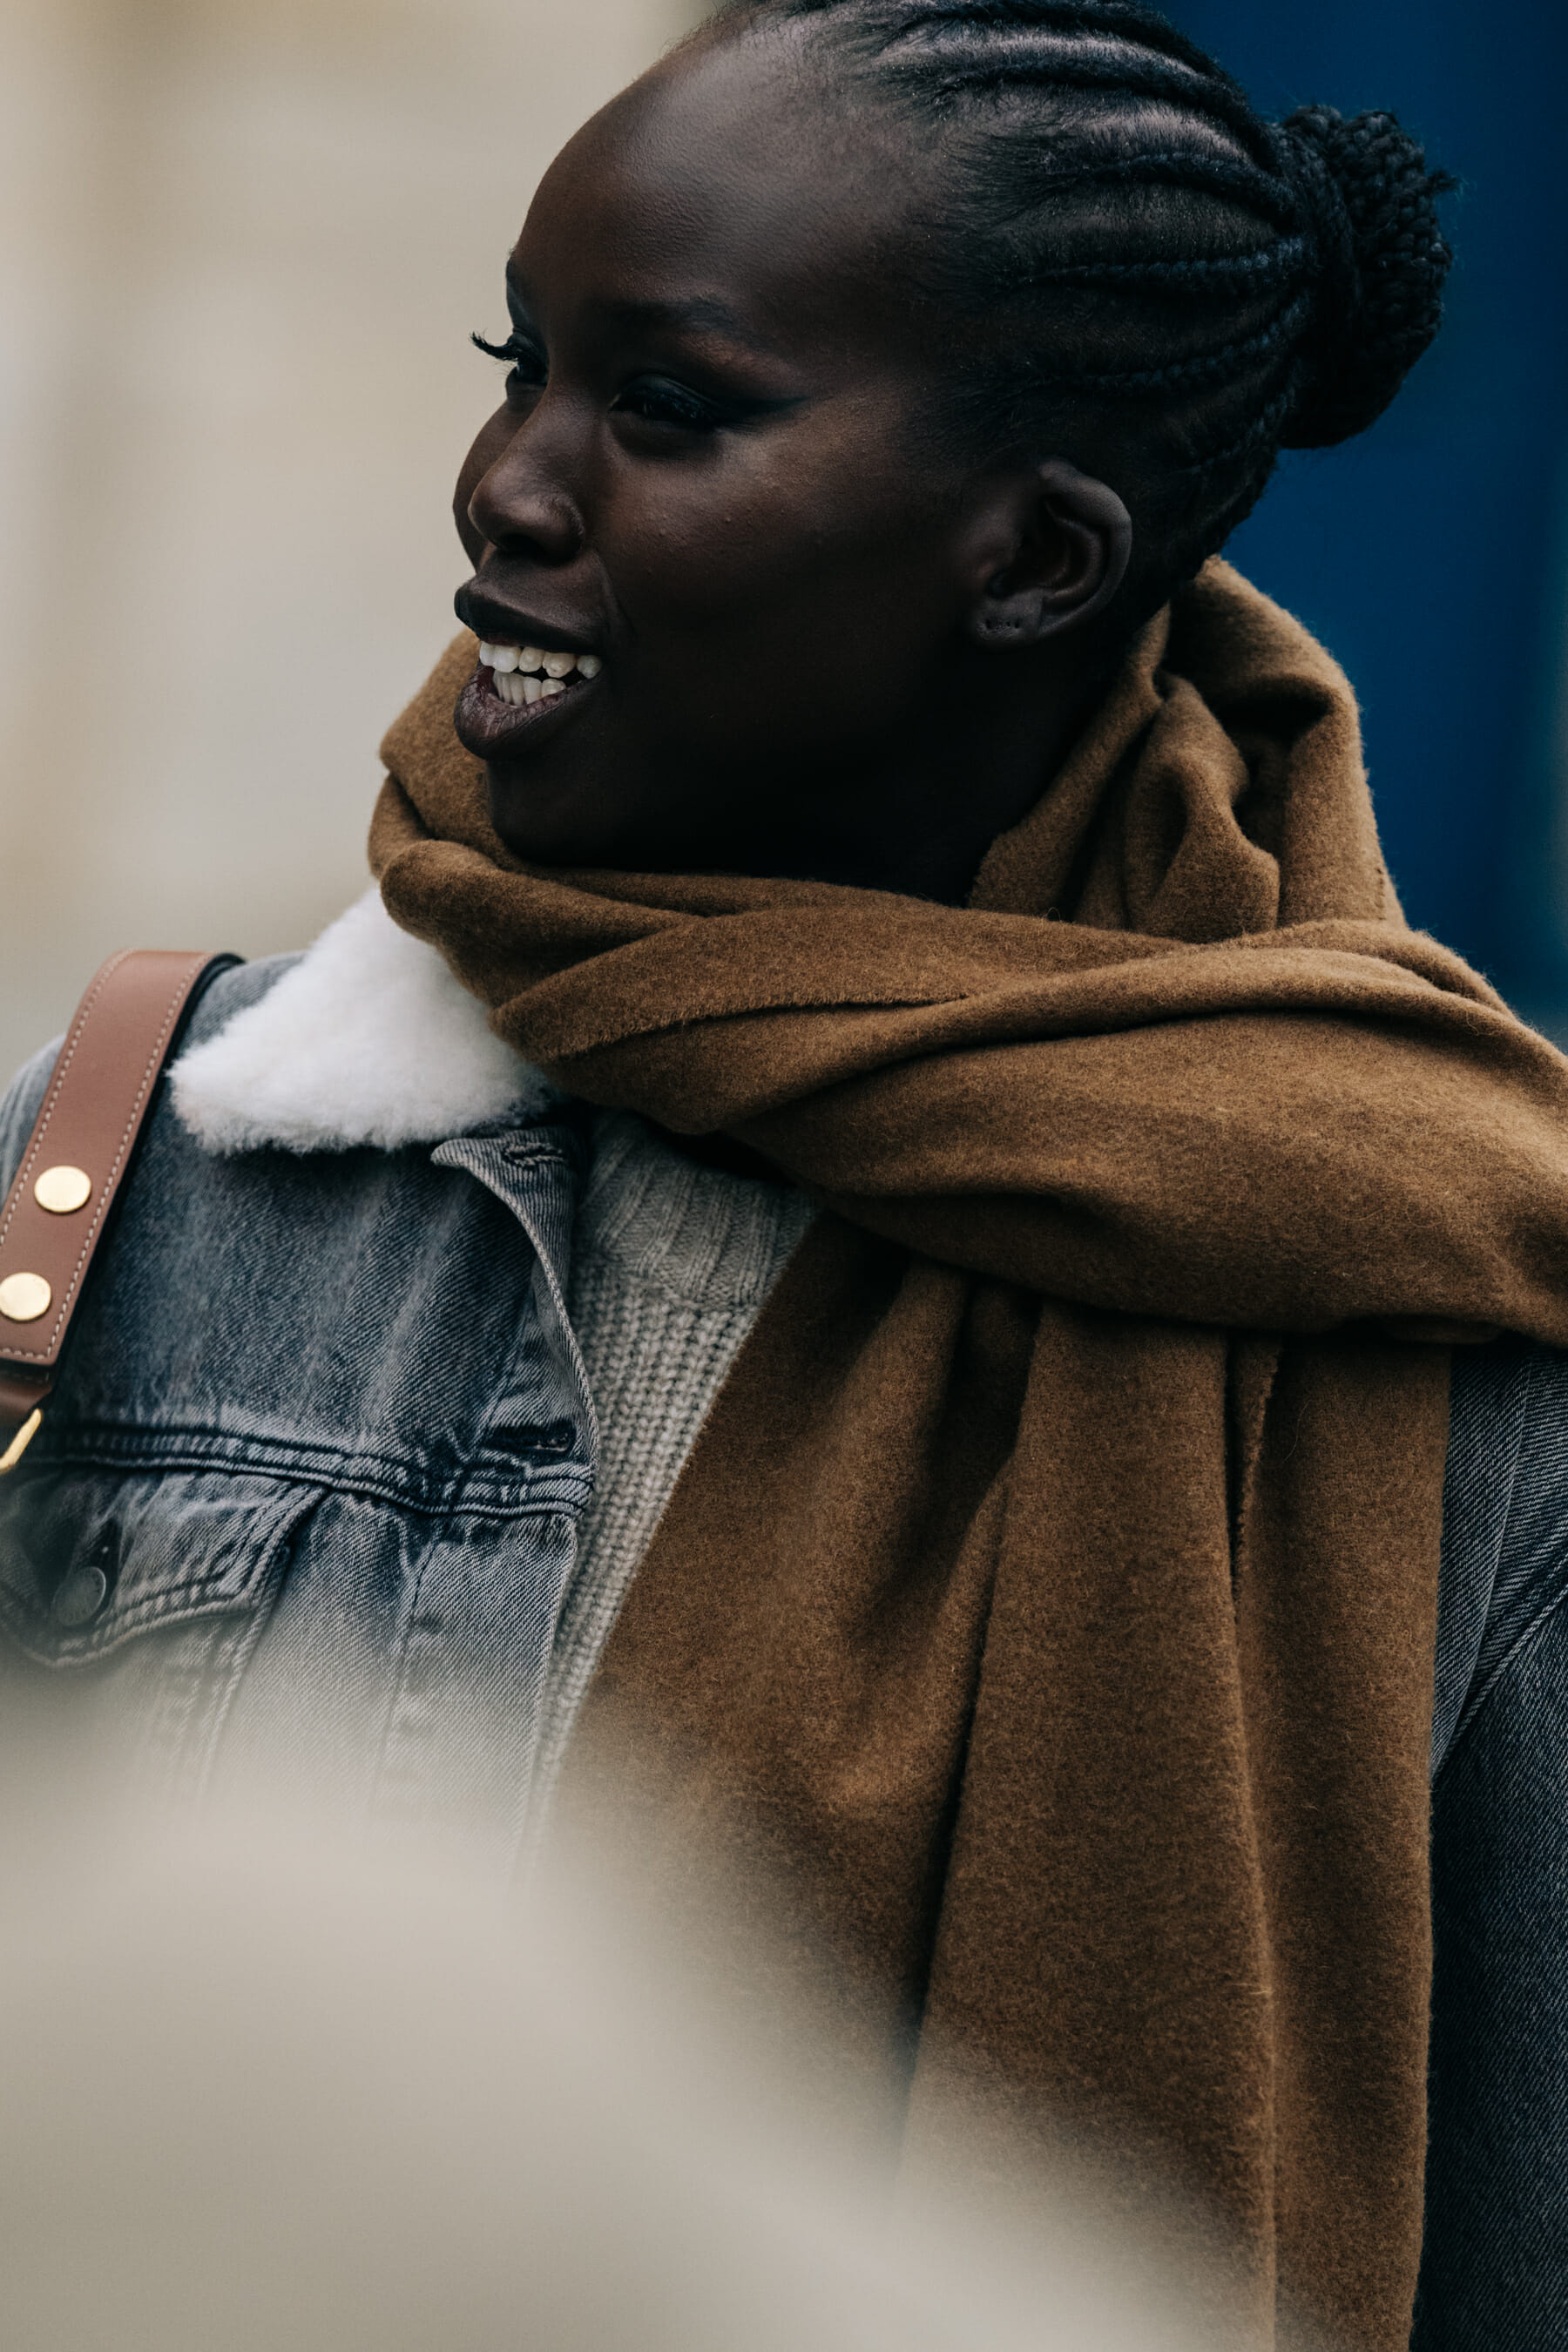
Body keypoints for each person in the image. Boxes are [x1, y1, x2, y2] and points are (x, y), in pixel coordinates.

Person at [1, 3, 1564, 2345]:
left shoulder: (1442, 1323)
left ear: (1034, 558)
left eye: (663, 406)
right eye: (513, 362)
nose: (506, 486)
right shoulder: (125, 1147)